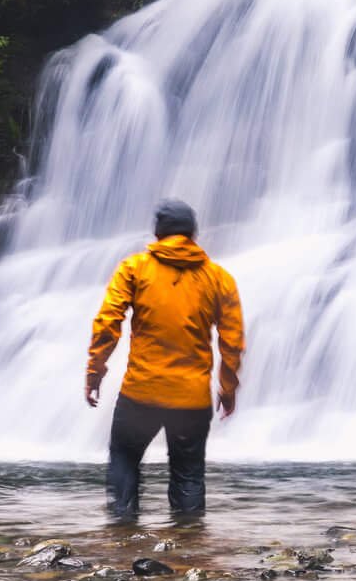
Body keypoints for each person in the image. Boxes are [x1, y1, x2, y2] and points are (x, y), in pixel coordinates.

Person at [85, 198, 244, 519]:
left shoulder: (135, 268)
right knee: (188, 474)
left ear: (158, 231)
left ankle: (121, 536)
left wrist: (95, 372)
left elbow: (107, 323)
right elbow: (232, 341)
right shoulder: (218, 278)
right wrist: (227, 389)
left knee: (125, 460)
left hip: (141, 393)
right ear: (193, 234)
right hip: (192, 399)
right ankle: (190, 548)